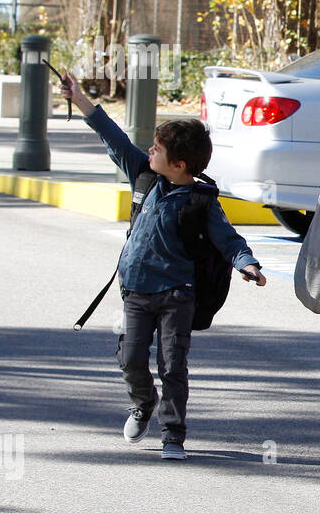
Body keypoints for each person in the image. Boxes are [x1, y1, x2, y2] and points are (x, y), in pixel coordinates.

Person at [60, 72, 266, 461]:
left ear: (180, 164)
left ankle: (173, 435)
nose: (149, 152)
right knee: (131, 358)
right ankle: (143, 402)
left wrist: (247, 263)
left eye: (157, 149)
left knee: (173, 365)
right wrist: (81, 99)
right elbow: (112, 136)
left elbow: (229, 240)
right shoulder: (144, 176)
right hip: (136, 291)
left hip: (178, 296)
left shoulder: (201, 201)